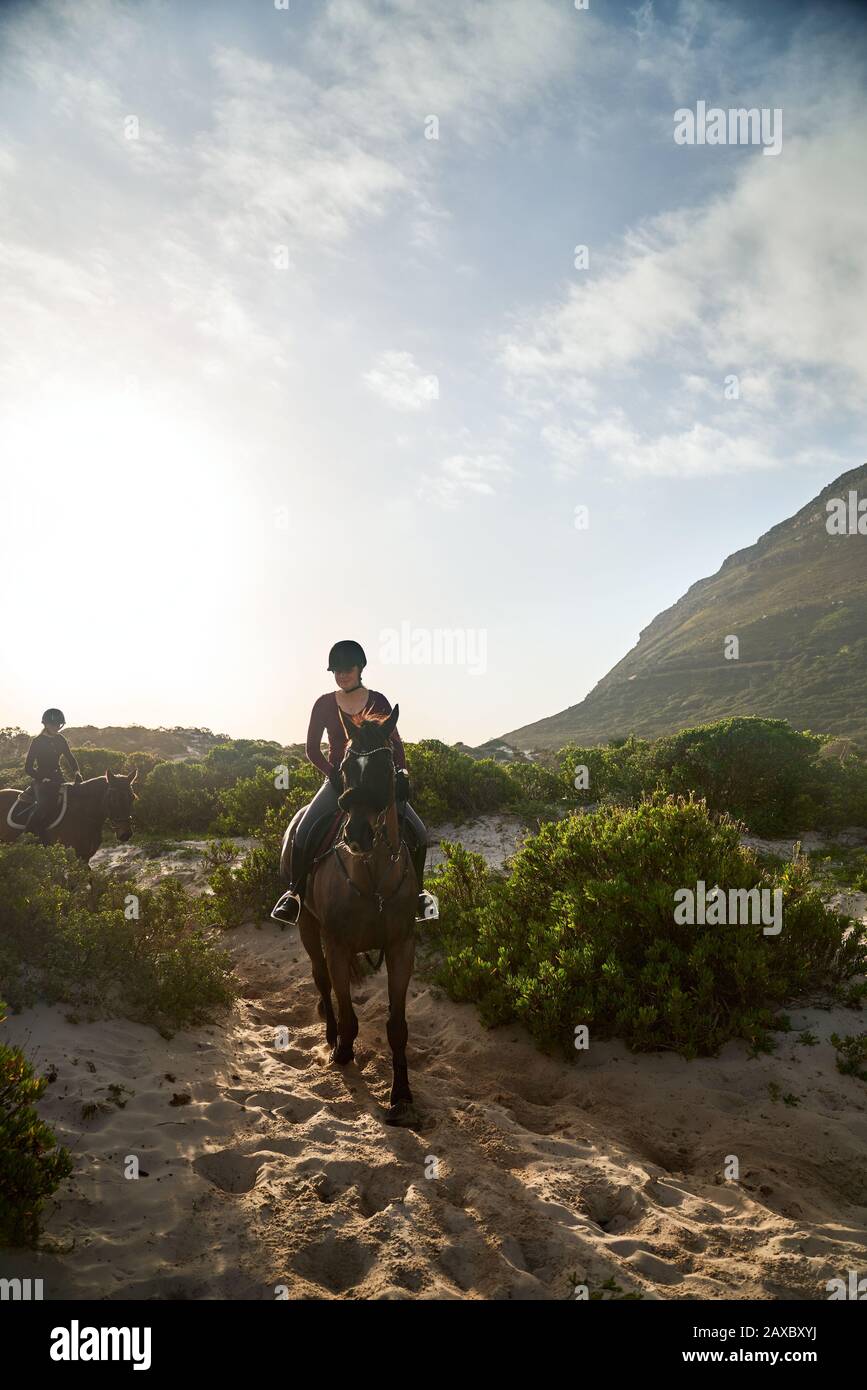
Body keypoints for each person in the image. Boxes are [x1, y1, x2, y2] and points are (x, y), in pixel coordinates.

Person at [271, 640, 429, 925]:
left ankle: (419, 895)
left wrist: (401, 774)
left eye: (348, 668)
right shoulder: (323, 704)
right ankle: (294, 894)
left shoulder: (378, 700)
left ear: (360, 669)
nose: (342, 674)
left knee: (418, 831)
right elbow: (311, 749)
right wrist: (331, 772)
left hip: (378, 784)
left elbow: (396, 744)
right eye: (337, 670)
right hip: (340, 781)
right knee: (304, 829)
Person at [24, 708, 82, 844]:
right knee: (44, 806)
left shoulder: (61, 739)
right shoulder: (37, 741)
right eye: (53, 725)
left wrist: (77, 772)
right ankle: (30, 834)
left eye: (58, 725)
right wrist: (41, 778)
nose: (56, 727)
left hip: (58, 778)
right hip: (41, 781)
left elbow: (70, 758)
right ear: (46, 724)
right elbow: (28, 768)